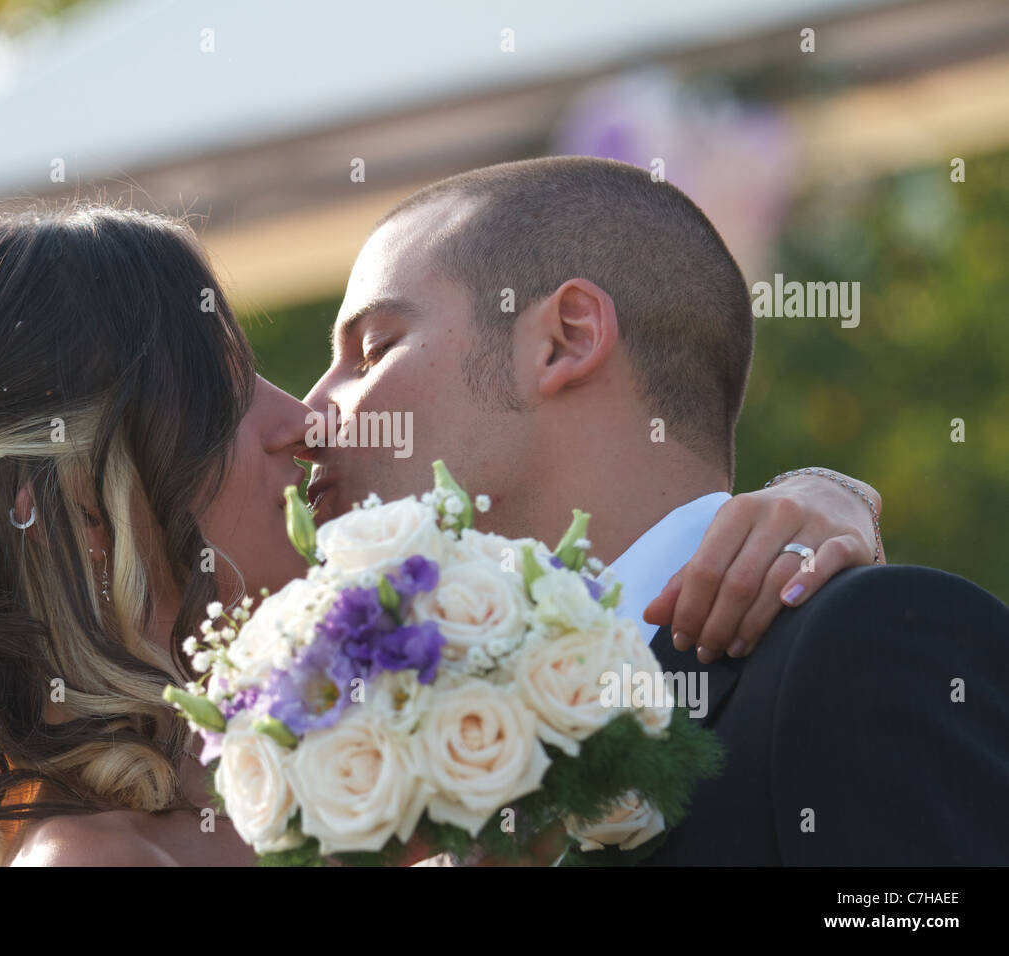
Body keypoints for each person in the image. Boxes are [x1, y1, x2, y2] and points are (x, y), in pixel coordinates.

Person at [0, 197, 883, 867]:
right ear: (77, 502)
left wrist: (820, 495)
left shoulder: (317, 778)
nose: (305, 419)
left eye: (369, 348)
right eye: (225, 392)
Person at [303, 156, 1009, 864]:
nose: (308, 418)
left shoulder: (862, 648)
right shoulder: (395, 771)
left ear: (566, 338)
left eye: (372, 351)